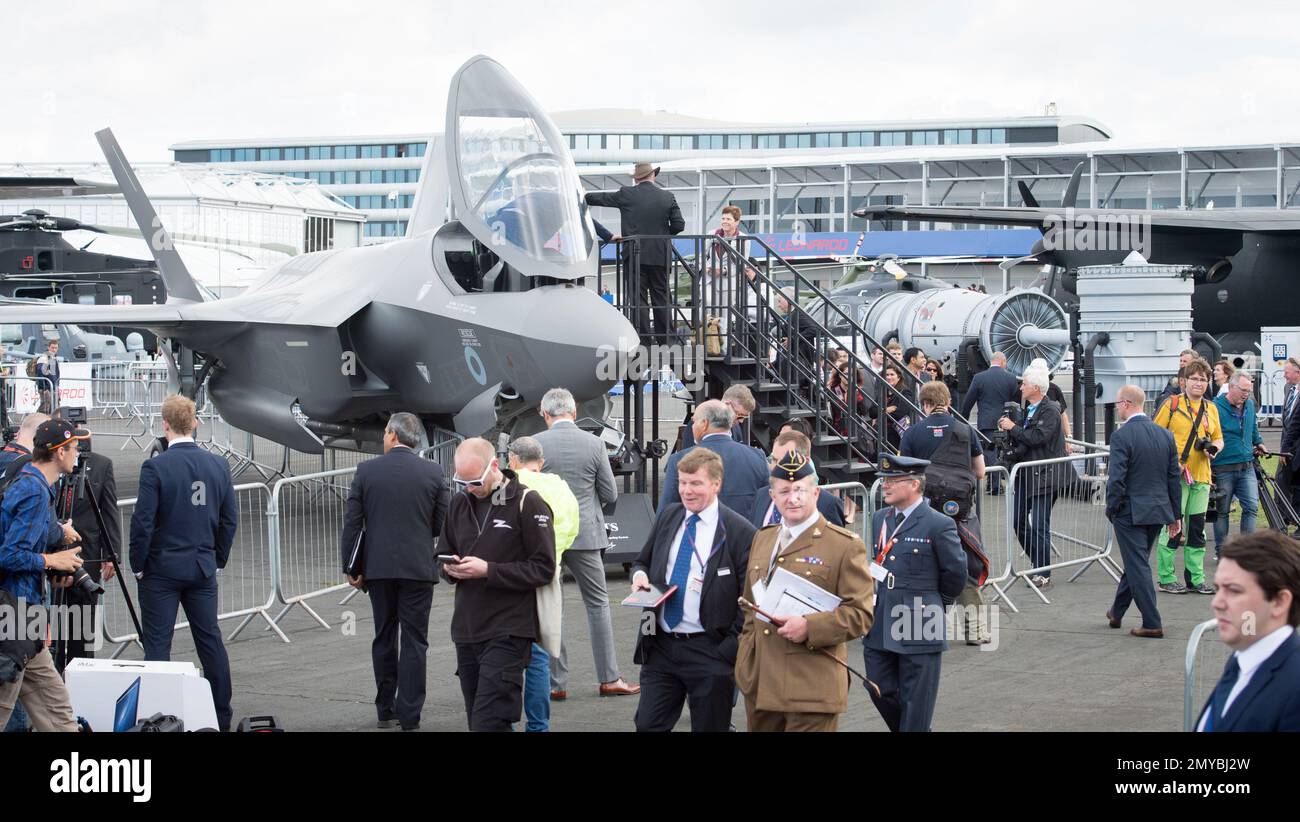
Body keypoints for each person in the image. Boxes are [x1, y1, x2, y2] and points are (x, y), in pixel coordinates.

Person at [735, 451, 874, 732]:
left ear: (816, 493)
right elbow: (750, 606)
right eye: (784, 491)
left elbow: (861, 614)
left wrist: (810, 626)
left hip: (811, 686)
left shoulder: (844, 545)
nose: (792, 498)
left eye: (800, 489)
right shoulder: (763, 538)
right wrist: (745, 662)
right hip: (761, 686)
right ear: (772, 496)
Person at [129, 394, 237, 731]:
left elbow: (143, 522)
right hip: (201, 566)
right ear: (195, 423)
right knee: (210, 642)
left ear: (165, 425)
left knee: (158, 646)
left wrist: (138, 563)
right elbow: (228, 519)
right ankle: (220, 714)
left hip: (162, 569)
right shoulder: (218, 465)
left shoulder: (156, 467)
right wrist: (216, 557)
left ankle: (160, 718)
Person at [629, 448, 756, 731]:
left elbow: (750, 600)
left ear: (716, 484)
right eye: (682, 483)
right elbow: (642, 562)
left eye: (695, 483)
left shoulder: (739, 531)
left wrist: (726, 650)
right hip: (661, 646)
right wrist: (639, 576)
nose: (686, 491)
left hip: (710, 650)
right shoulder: (669, 517)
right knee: (648, 725)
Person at [339, 412, 448, 731]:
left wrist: (351, 565)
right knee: (416, 641)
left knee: (384, 636)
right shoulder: (433, 472)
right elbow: (441, 523)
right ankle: (410, 714)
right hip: (417, 566)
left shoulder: (367, 471)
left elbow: (353, 523)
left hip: (379, 568)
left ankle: (385, 708)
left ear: (391, 435)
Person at [441, 438, 557, 731]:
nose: (470, 487)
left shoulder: (527, 501)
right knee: (478, 721)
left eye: (475, 480)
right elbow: (442, 552)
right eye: (461, 481)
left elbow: (544, 568)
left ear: (495, 466)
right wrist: (449, 568)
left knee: (488, 722)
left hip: (509, 629)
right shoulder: (459, 502)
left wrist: (489, 571)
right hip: (467, 629)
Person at [532, 388, 638, 699]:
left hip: (547, 535)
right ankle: (609, 677)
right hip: (587, 533)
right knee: (598, 605)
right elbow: (610, 494)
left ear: (544, 413)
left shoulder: (536, 444)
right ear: (575, 412)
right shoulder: (594, 444)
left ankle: (555, 682)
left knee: (551, 605)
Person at [863, 454, 966, 731]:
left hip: (920, 618)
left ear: (914, 485)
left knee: (916, 702)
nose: (885, 485)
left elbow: (955, 573)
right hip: (883, 615)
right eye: (884, 480)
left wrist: (938, 604)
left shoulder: (938, 523)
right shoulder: (880, 518)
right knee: (877, 687)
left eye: (892, 480)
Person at [0, 419, 86, 732]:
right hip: (13, 618)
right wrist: (53, 561)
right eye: (74, 447)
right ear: (59, 453)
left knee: (59, 711)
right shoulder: (34, 491)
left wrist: (56, 542)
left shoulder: (33, 484)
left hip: (26, 620)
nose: (78, 453)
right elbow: (9, 555)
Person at [901, 381, 988, 645]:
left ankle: (928, 629)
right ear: (947, 402)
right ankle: (975, 630)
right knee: (964, 568)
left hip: (924, 511)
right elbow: (981, 471)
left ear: (924, 404)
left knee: (923, 568)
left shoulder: (912, 433)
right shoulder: (965, 430)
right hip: (959, 513)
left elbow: (905, 475)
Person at [506, 436, 580, 733]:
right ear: (542, 460)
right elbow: (573, 528)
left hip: (511, 574)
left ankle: (505, 719)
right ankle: (538, 724)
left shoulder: (509, 484)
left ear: (513, 459)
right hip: (548, 574)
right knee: (538, 653)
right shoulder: (560, 487)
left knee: (506, 652)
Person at [1196, 530, 1300, 732]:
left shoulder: (1294, 688)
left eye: (1234, 590)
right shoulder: (1242, 659)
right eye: (1218, 589)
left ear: (1279, 602)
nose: (1216, 603)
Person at [1105, 385, 1183, 639]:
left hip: (1130, 510)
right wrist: (1175, 514)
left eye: (1117, 403)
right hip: (1158, 509)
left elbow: (1116, 478)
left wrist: (1112, 508)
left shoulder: (1121, 436)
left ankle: (1152, 621)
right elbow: (1173, 478)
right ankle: (1117, 611)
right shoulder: (1165, 435)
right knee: (1136, 561)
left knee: (1137, 564)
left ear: (1126, 403)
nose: (1117, 408)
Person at [585, 162, 685, 344]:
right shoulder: (667, 197)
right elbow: (679, 225)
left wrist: (582, 194)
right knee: (661, 297)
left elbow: (598, 199)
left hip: (634, 253)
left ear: (636, 178)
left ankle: (644, 340)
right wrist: (660, 236)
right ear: (653, 175)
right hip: (659, 254)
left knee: (638, 299)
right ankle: (667, 341)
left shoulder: (626, 194)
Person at [50, 420, 120, 668]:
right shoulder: (52, 465)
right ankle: (56, 671)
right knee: (55, 621)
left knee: (84, 625)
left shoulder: (102, 465)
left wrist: (112, 554)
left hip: (87, 554)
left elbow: (109, 512)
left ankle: (82, 672)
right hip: (54, 553)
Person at [1153, 359, 1223, 595]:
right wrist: (1174, 463)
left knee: (1197, 531)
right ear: (1184, 381)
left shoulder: (1211, 408)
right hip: (1176, 478)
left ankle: (1196, 578)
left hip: (1202, 477)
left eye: (1204, 379)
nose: (1199, 383)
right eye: (1195, 378)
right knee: (1173, 527)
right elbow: (1155, 438)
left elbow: (1219, 438)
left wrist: (1213, 447)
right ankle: (1166, 577)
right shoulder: (1171, 405)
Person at [998, 360, 1065, 589]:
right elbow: (1026, 439)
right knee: (1019, 521)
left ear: (1036, 387)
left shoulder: (1051, 410)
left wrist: (1012, 428)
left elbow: (1037, 438)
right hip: (1027, 473)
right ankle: (1037, 563)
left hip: (1045, 475)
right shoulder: (1029, 409)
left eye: (1024, 384)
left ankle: (1043, 572)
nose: (1021, 388)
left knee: (1039, 524)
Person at [659, 400, 768, 517]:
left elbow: (666, 513)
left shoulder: (679, 459)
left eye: (694, 421)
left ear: (704, 424)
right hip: (748, 533)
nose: (692, 426)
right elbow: (769, 501)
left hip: (697, 533)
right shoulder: (757, 457)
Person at [1212, 372, 1265, 557]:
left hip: (1246, 465)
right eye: (1243, 390)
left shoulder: (1249, 404)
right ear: (1231, 387)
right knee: (1222, 511)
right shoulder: (1215, 407)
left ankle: (1246, 552)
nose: (1246, 395)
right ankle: (1222, 551)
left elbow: (1253, 426)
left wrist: (1258, 442)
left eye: (1249, 391)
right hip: (1223, 467)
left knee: (1251, 507)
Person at [748, 431, 846, 528]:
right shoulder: (761, 495)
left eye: (784, 461)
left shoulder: (828, 505)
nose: (776, 467)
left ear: (806, 461)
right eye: (774, 460)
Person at [961, 351, 1019, 494]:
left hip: (986, 421)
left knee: (989, 452)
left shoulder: (979, 378)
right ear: (1003, 362)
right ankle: (996, 483)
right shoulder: (1011, 378)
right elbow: (1016, 402)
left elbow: (968, 401)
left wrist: (963, 419)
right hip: (1006, 421)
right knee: (1003, 451)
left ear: (991, 361)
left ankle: (993, 484)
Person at [680, 384, 755, 448]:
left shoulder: (735, 427)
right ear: (727, 404)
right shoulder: (697, 423)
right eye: (739, 415)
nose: (741, 421)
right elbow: (689, 458)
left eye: (744, 417)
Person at [869, 364, 910, 455]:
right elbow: (871, 412)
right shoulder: (883, 392)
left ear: (898, 377)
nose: (889, 377)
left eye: (892, 374)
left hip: (896, 434)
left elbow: (900, 413)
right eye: (886, 375)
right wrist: (887, 409)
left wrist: (879, 416)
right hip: (882, 432)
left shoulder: (905, 392)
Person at [1278, 357, 1300, 527]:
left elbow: (1296, 422)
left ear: (1297, 373)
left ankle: (1296, 518)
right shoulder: (1288, 388)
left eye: (1287, 372)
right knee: (1281, 479)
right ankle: (1283, 517)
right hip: (1286, 443)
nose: (1284, 375)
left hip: (1297, 445)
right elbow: (1288, 420)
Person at [35, 340, 60, 415]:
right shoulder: (44, 358)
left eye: (56, 348)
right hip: (46, 388)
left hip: (53, 387)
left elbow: (55, 374)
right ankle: (37, 421)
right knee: (45, 407)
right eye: (52, 348)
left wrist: (57, 386)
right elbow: (40, 371)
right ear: (48, 347)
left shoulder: (54, 358)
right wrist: (44, 388)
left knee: (54, 406)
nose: (54, 350)